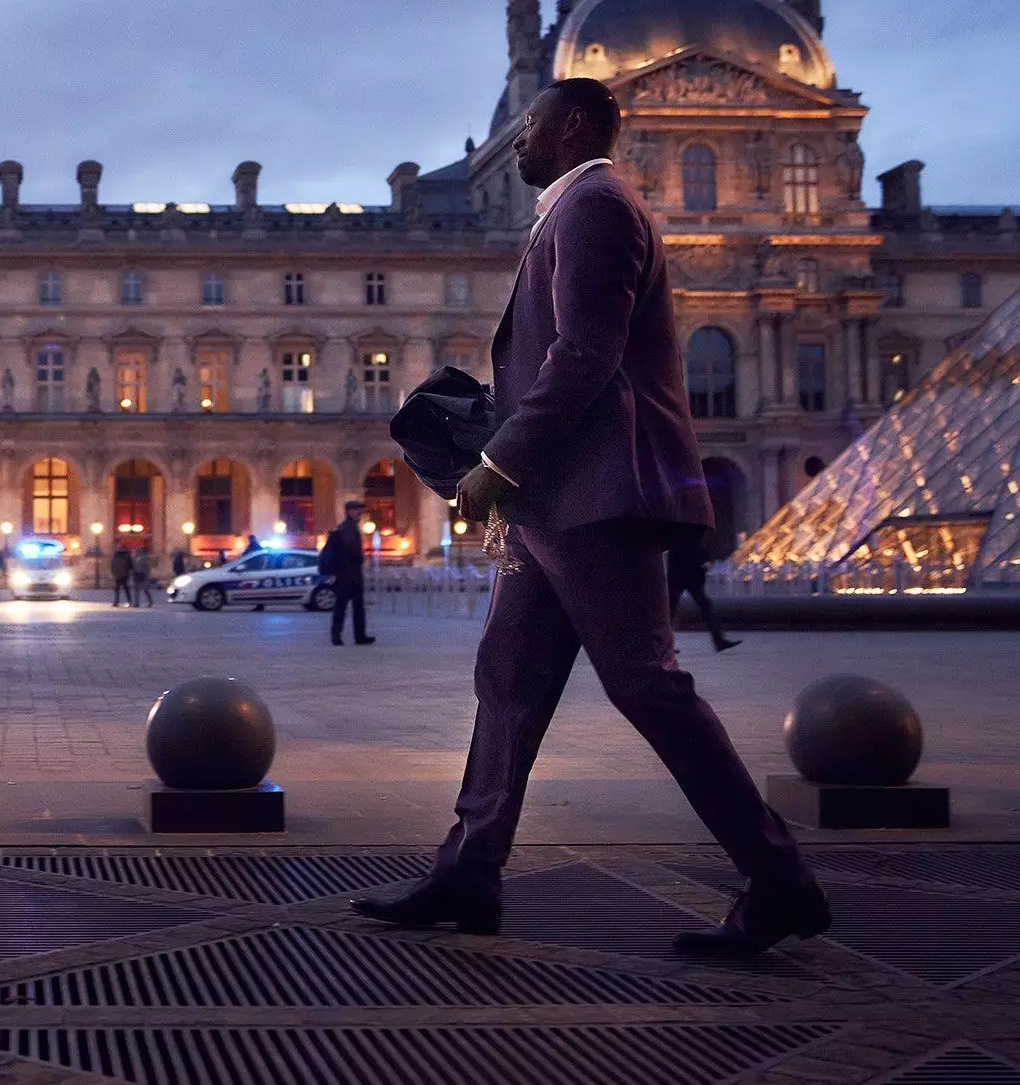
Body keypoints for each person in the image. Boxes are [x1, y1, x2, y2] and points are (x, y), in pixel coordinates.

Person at [350, 78, 827, 957]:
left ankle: (779, 878)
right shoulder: (577, 209)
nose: (518, 143)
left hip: (593, 498)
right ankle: (471, 864)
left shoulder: (597, 205)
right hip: (558, 501)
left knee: (647, 683)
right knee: (508, 676)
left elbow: (586, 353)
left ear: (571, 126)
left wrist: (499, 462)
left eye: (529, 127)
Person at [319, 498, 375, 646]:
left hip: (344, 573)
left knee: (344, 606)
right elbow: (352, 549)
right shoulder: (349, 528)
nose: (360, 512)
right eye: (357, 509)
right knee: (351, 606)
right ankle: (356, 636)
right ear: (349, 511)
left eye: (361, 509)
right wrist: (360, 558)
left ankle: (340, 635)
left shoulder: (344, 527)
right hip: (349, 573)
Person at [669, 534, 738, 653]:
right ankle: (718, 640)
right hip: (686, 575)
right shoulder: (687, 530)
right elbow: (691, 549)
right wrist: (703, 562)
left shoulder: (682, 529)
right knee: (704, 607)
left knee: (672, 611)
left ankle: (719, 640)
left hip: (682, 575)